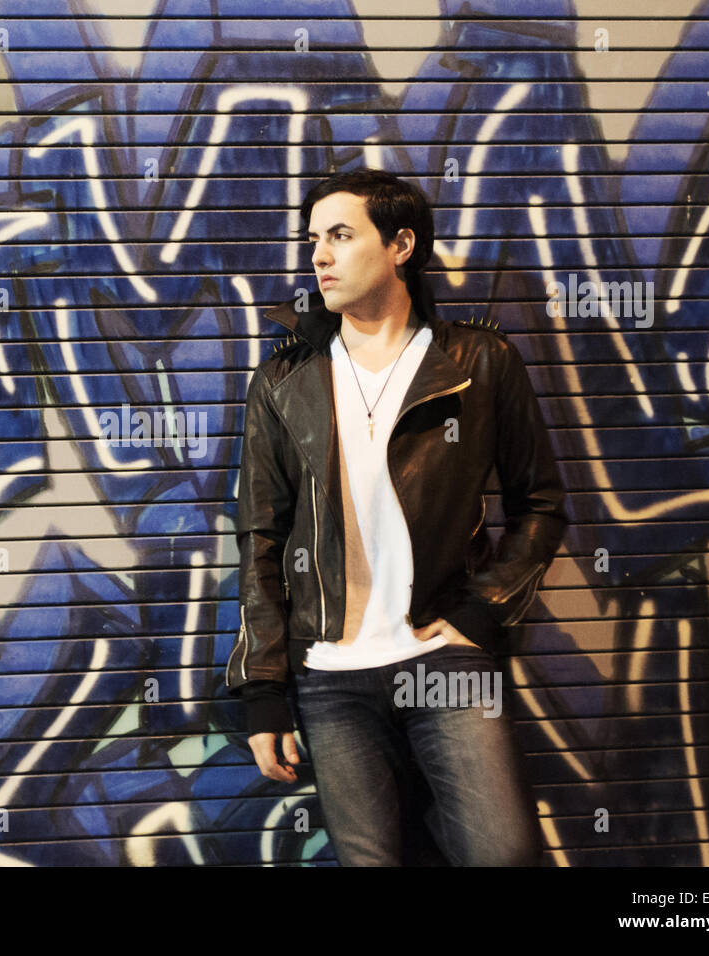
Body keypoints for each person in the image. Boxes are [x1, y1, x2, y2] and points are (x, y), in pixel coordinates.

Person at [228, 168, 567, 865]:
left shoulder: (477, 362)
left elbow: (540, 505)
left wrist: (482, 613)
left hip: (443, 661)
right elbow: (261, 538)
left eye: (341, 236)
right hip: (329, 674)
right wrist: (262, 689)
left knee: (505, 853)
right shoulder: (285, 380)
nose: (319, 255)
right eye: (314, 238)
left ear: (401, 244)